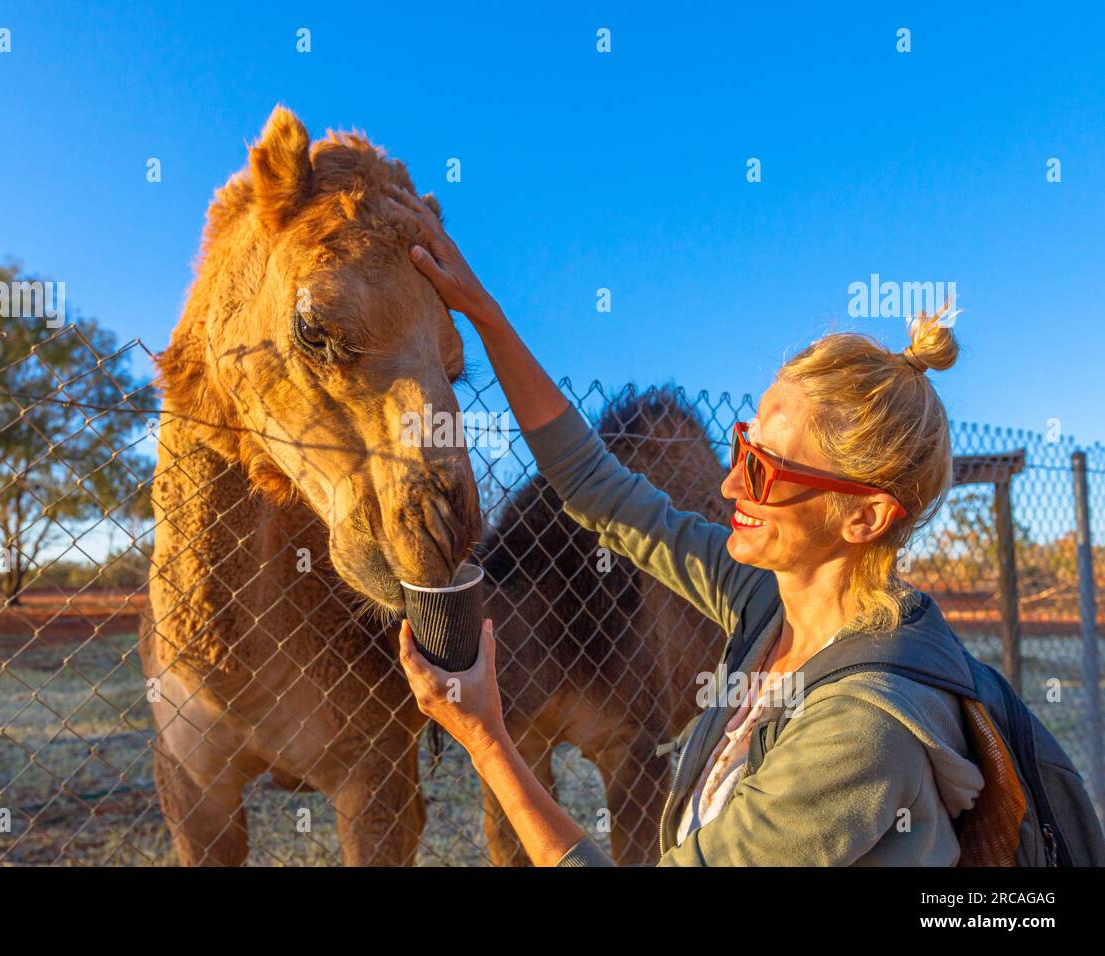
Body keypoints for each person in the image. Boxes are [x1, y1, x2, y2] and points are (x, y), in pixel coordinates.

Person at [385, 185, 983, 866]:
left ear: (864, 516)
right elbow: (593, 485)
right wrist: (485, 314)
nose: (728, 485)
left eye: (764, 470)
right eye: (741, 447)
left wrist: (486, 741)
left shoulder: (862, 730)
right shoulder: (767, 599)